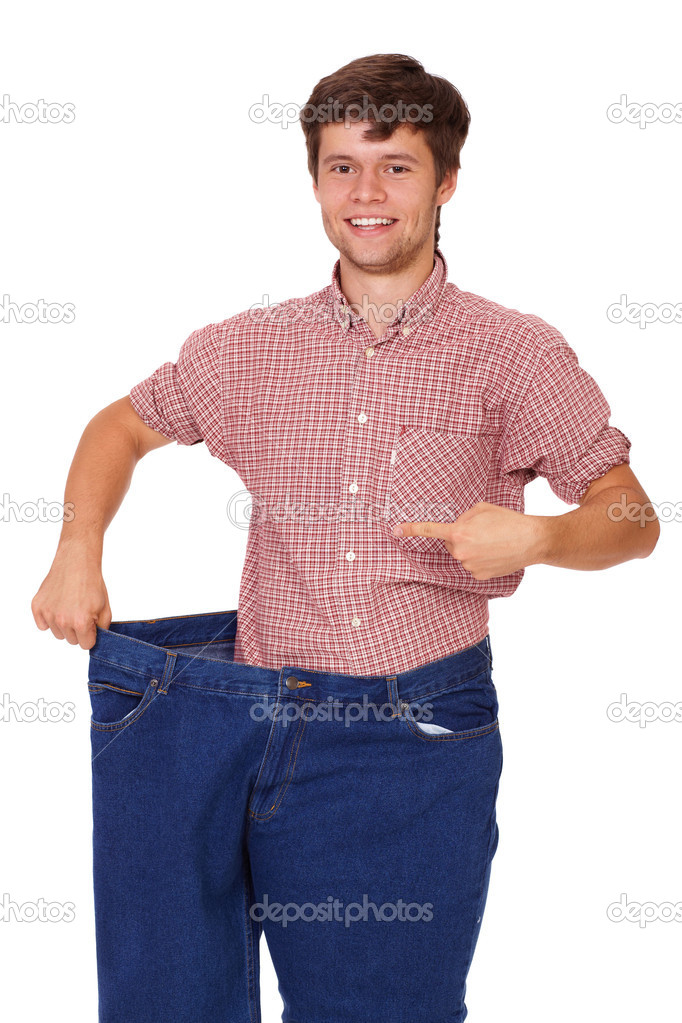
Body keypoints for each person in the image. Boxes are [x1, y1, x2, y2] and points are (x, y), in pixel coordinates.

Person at [31, 53, 659, 1023]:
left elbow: (632, 516)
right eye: (340, 167)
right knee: (164, 1007)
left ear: (446, 182)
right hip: (217, 725)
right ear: (315, 181)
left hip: (404, 744)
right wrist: (77, 551)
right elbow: (120, 427)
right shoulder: (249, 348)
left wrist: (536, 539)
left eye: (395, 166)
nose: (365, 194)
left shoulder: (514, 352)